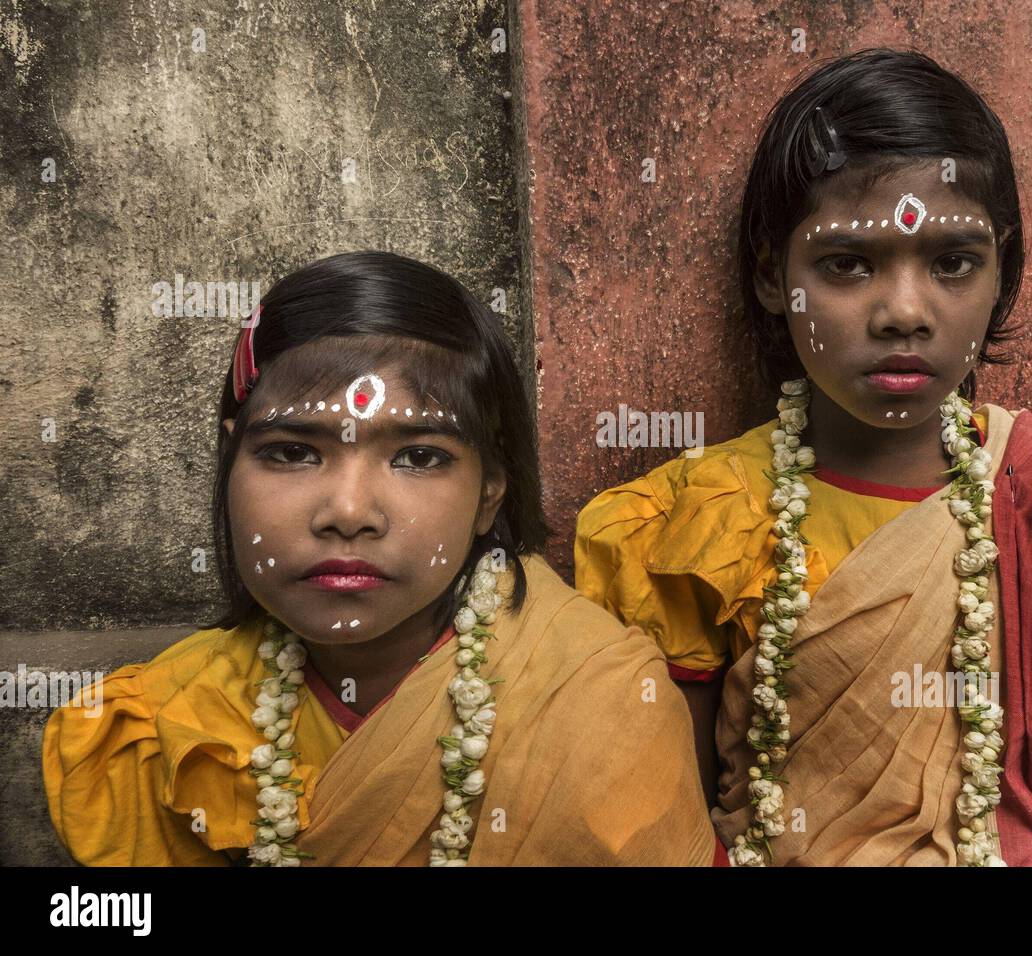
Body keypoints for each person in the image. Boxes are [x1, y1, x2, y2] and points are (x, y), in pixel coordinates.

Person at [575, 50, 1032, 866]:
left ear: (1005, 274)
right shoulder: (700, 521)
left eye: (953, 263)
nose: (904, 313)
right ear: (772, 276)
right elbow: (678, 825)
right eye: (847, 264)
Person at [43, 250, 720, 866]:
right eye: (292, 452)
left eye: (419, 457)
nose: (347, 511)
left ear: (489, 493)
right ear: (230, 461)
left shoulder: (598, 706)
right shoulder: (167, 726)